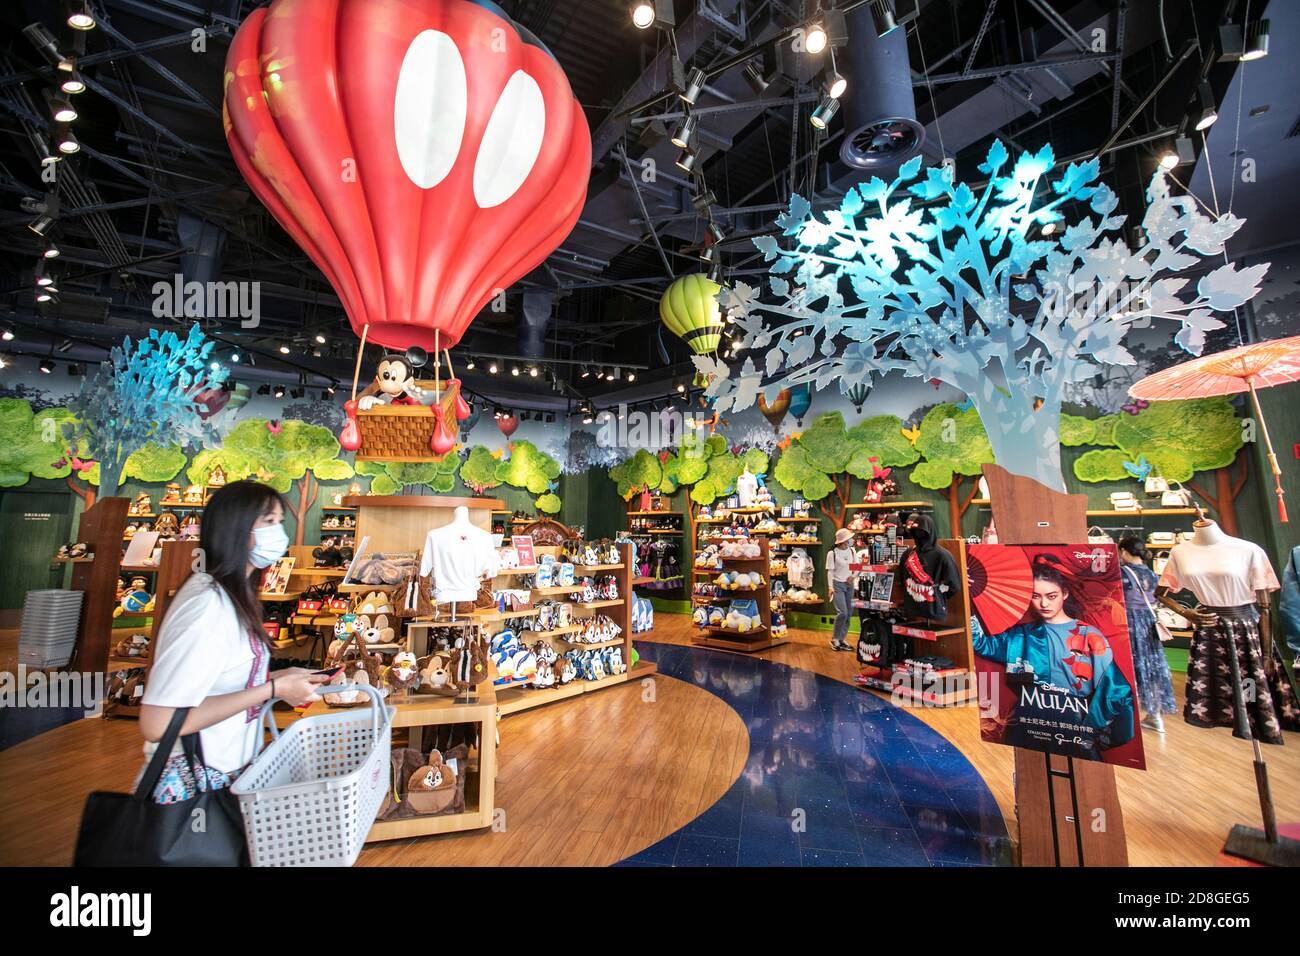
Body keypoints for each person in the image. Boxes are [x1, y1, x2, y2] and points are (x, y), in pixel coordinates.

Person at [138, 480, 326, 804]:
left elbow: (218, 681)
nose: (278, 532)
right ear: (236, 528)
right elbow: (158, 721)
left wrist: (276, 678)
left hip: (226, 776)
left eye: (280, 521)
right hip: (189, 787)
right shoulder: (206, 603)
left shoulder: (234, 596)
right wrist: (272, 691)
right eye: (268, 522)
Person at [973, 556, 1136, 760]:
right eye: (1036, 596)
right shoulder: (1021, 635)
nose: (1043, 604)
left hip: (1074, 720)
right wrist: (971, 596)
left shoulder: (1089, 635)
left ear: (1064, 594)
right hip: (1028, 719)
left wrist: (1090, 730)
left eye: (1051, 596)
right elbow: (980, 643)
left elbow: (1116, 690)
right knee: (1027, 772)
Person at [1118, 536, 1176, 734]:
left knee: (1127, 667)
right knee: (1151, 667)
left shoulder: (1123, 573)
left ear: (1124, 551)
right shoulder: (1152, 573)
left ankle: (1126, 714)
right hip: (1149, 623)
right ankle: (1155, 714)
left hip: (1129, 622)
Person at [827, 527, 857, 651]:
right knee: (842, 612)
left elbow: (858, 567)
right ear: (843, 540)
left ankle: (842, 639)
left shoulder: (852, 551)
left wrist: (853, 576)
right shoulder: (832, 553)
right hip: (837, 585)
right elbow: (830, 572)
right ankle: (835, 639)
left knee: (849, 613)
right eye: (849, 538)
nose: (851, 540)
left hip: (849, 585)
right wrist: (830, 587)